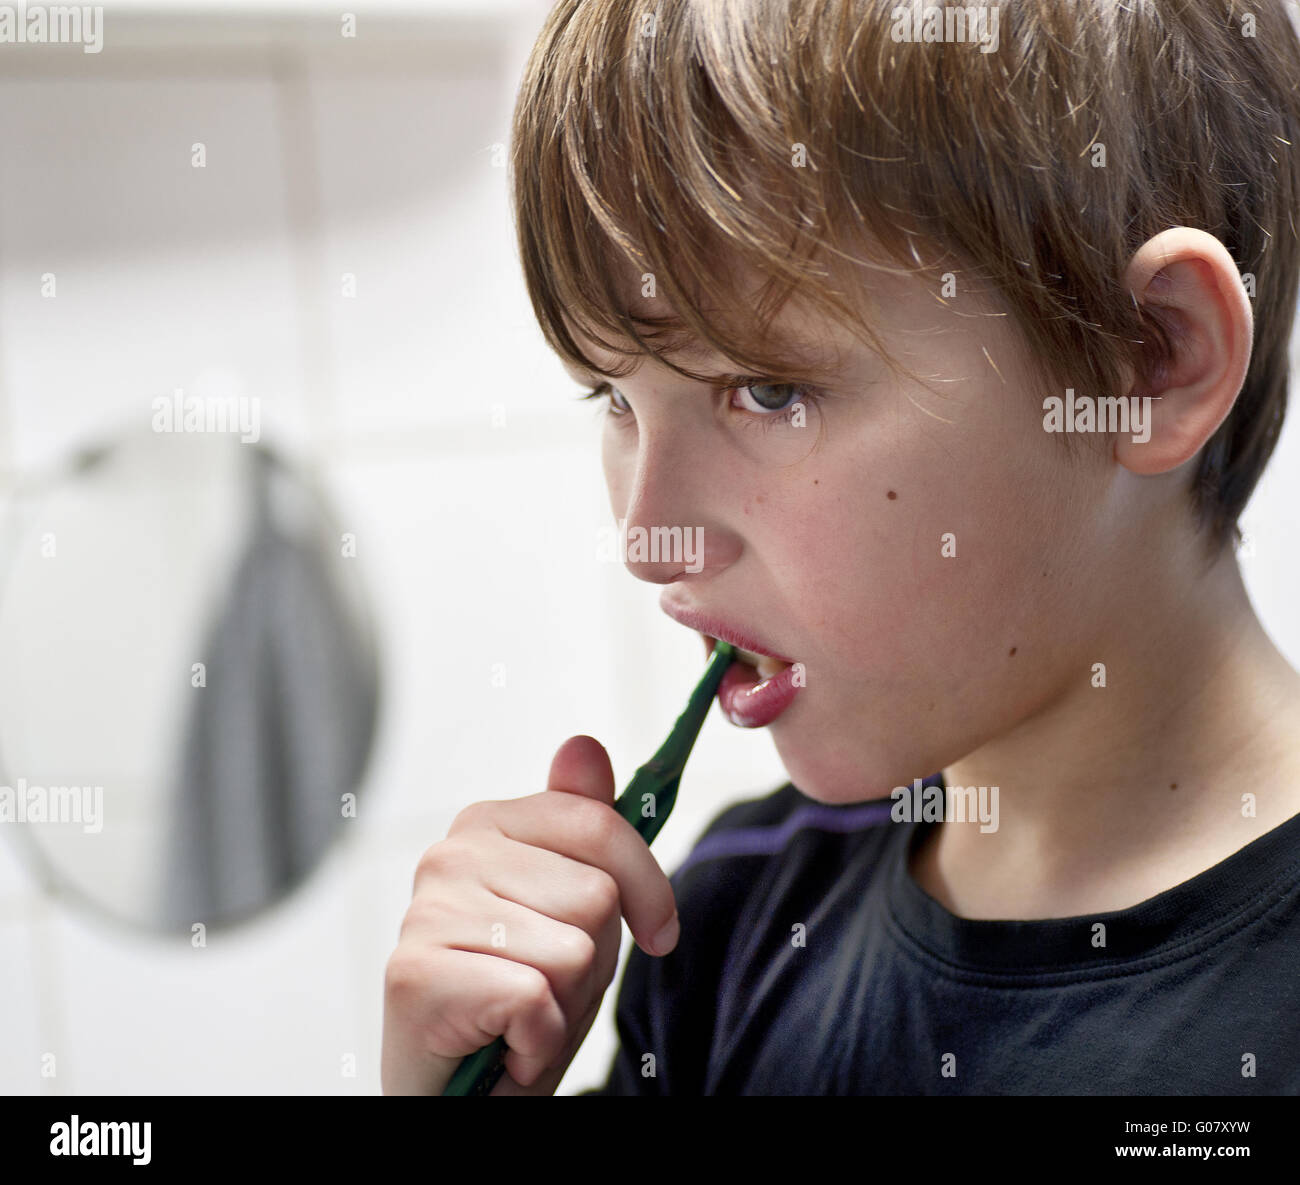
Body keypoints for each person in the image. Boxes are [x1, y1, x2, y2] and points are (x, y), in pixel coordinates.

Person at [382, 0, 1300, 1094]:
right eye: (610, 397)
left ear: (1147, 361)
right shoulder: (726, 920)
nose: (647, 540)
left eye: (766, 391)